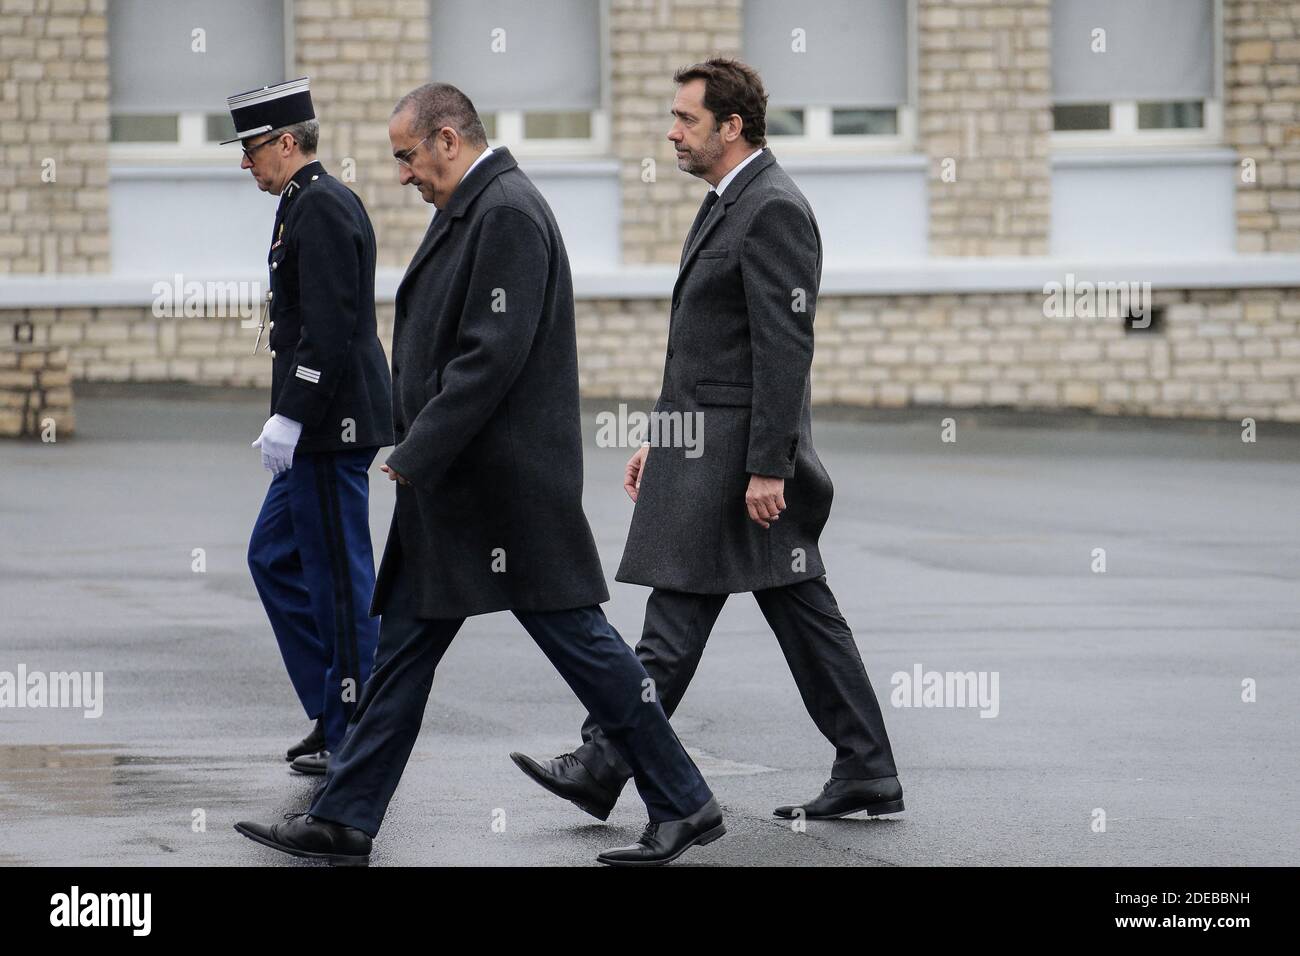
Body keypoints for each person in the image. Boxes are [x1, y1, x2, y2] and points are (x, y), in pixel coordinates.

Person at [235, 83, 722, 867]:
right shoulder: (481, 205)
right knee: (402, 650)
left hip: (503, 489)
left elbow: (489, 357)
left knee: (586, 648)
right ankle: (345, 817)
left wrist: (417, 448)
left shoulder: (505, 212)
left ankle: (686, 801)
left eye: (407, 155)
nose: (402, 174)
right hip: (465, 487)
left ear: (449, 139)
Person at [511, 58, 905, 823]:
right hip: (706, 451)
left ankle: (602, 760)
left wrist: (768, 466)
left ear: (732, 126)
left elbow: (784, 349)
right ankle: (867, 767)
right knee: (798, 612)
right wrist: (663, 437)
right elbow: (704, 349)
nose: (673, 131)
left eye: (686, 119)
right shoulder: (731, 201)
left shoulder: (773, 208)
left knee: (677, 617)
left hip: (738, 466)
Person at [225, 77, 393, 775]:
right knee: (273, 558)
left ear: (287, 143)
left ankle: (355, 723)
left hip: (332, 425)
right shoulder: (301, 204)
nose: (246, 164)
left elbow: (327, 332)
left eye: (253, 149)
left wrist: (292, 416)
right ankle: (334, 707)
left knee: (339, 581)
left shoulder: (321, 207)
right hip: (321, 424)